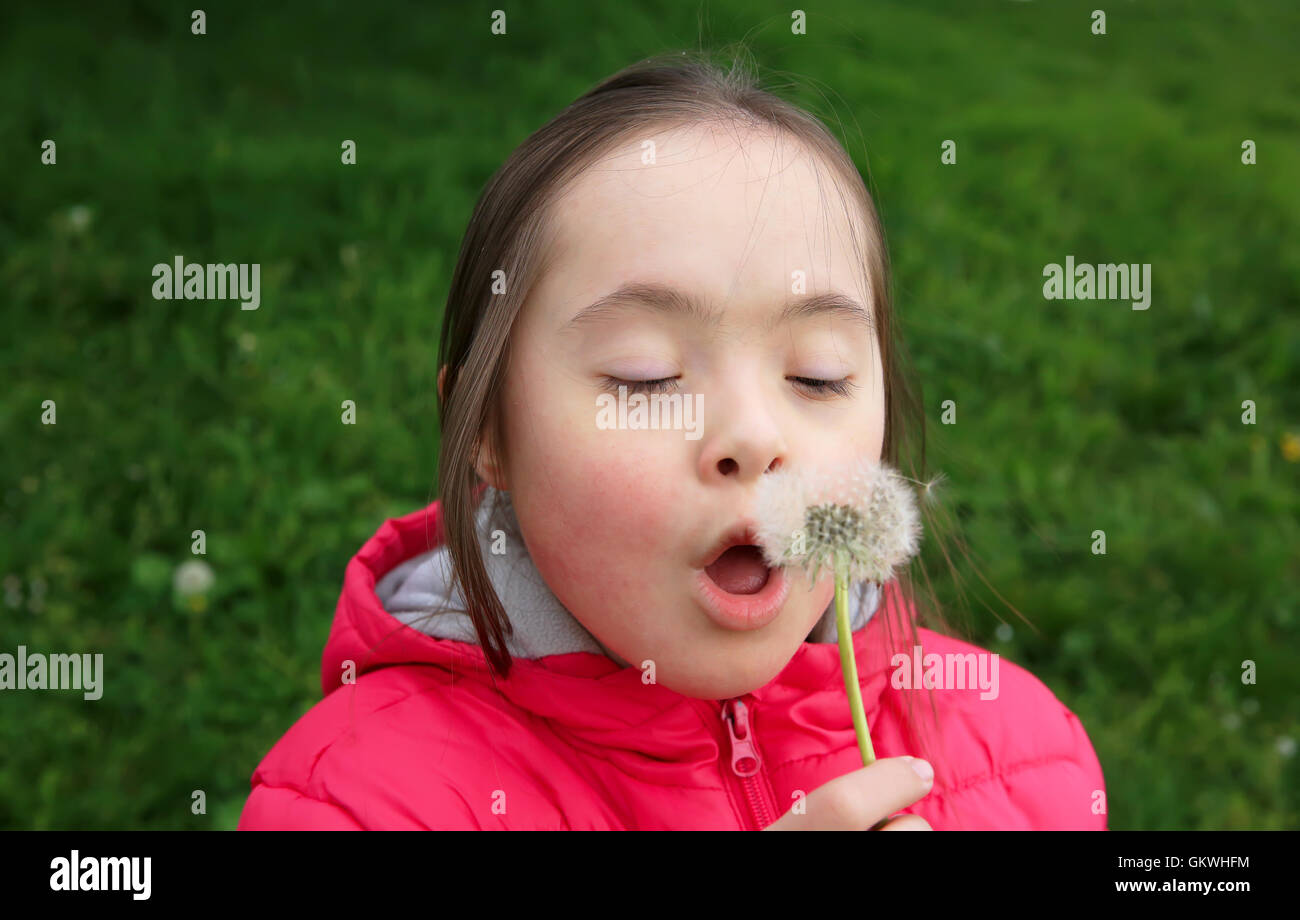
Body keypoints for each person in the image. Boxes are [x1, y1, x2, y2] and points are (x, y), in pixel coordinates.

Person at [238, 51, 1106, 830]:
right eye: (647, 377)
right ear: (489, 427)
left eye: (816, 375)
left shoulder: (1026, 756)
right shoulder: (359, 803)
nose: (755, 437)